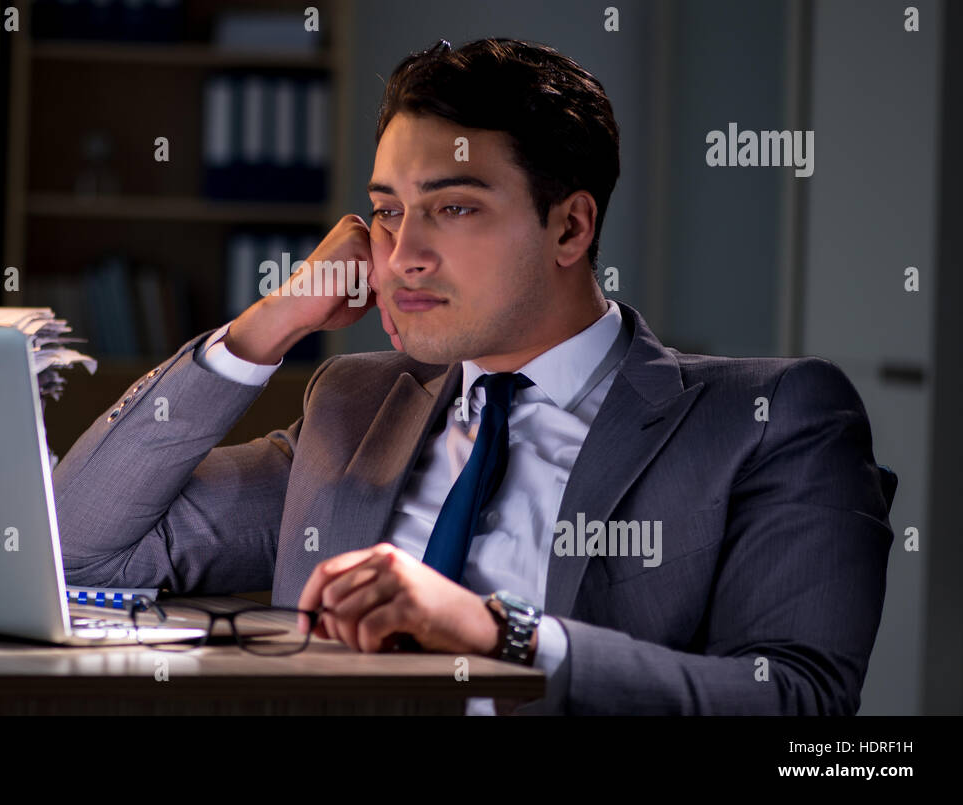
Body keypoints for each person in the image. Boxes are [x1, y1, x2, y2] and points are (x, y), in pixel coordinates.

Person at [53, 37, 894, 714]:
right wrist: (263, 329)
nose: (403, 254)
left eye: (454, 207)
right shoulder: (355, 404)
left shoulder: (766, 415)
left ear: (570, 228)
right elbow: (83, 551)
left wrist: (498, 633)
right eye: (387, 211)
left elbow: (799, 703)